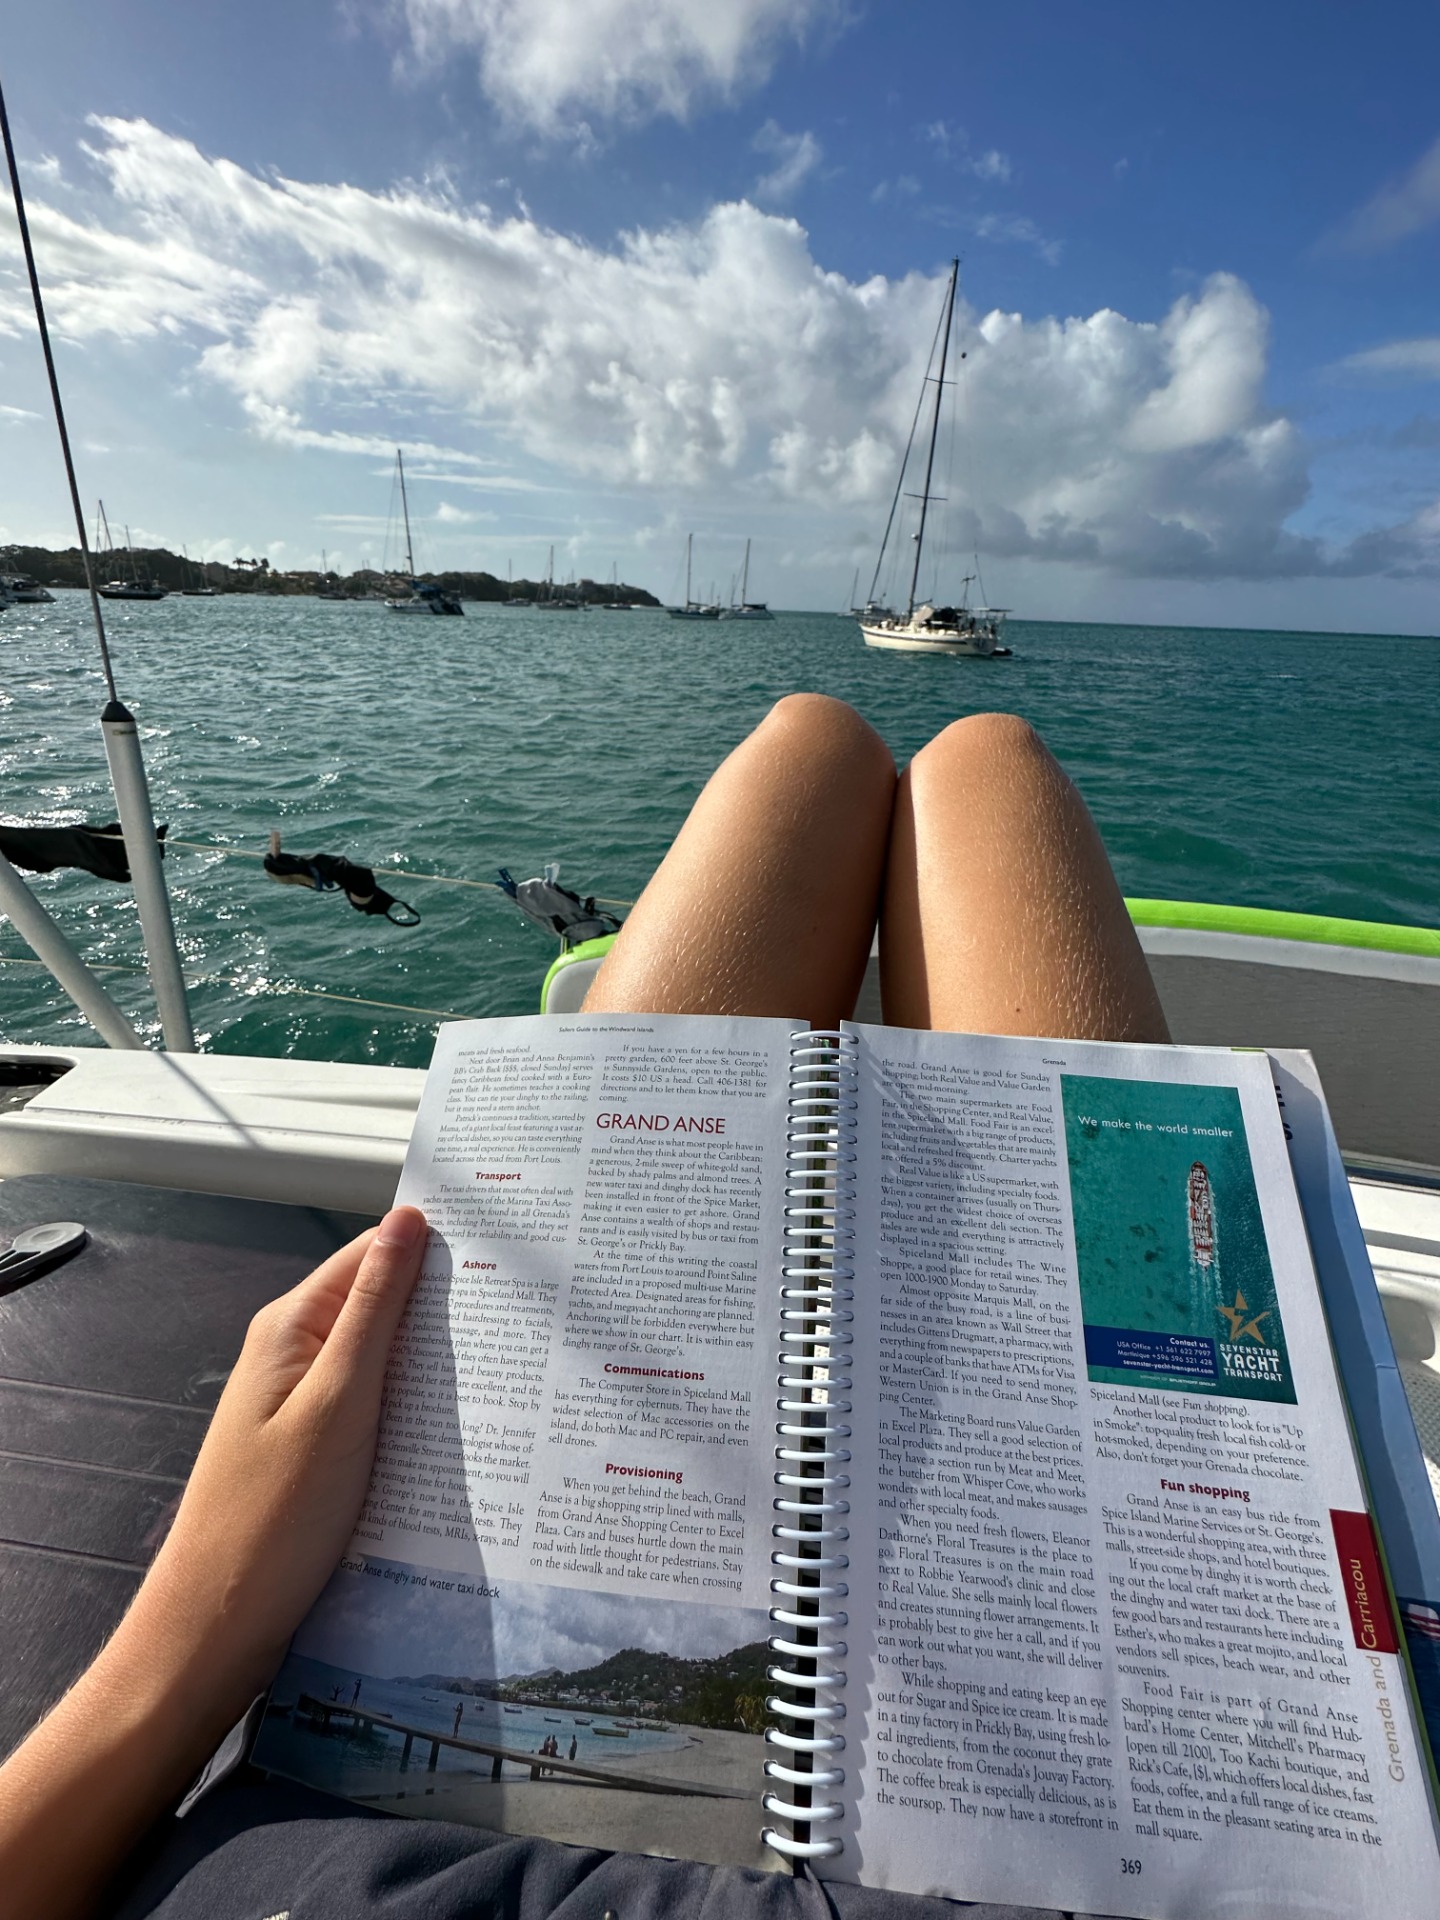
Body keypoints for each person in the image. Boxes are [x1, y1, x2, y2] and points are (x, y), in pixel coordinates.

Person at [0, 699, 1167, 1919]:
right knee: (974, 761)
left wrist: (196, 1628)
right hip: (1078, 1862)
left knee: (813, 748)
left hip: (338, 1835)